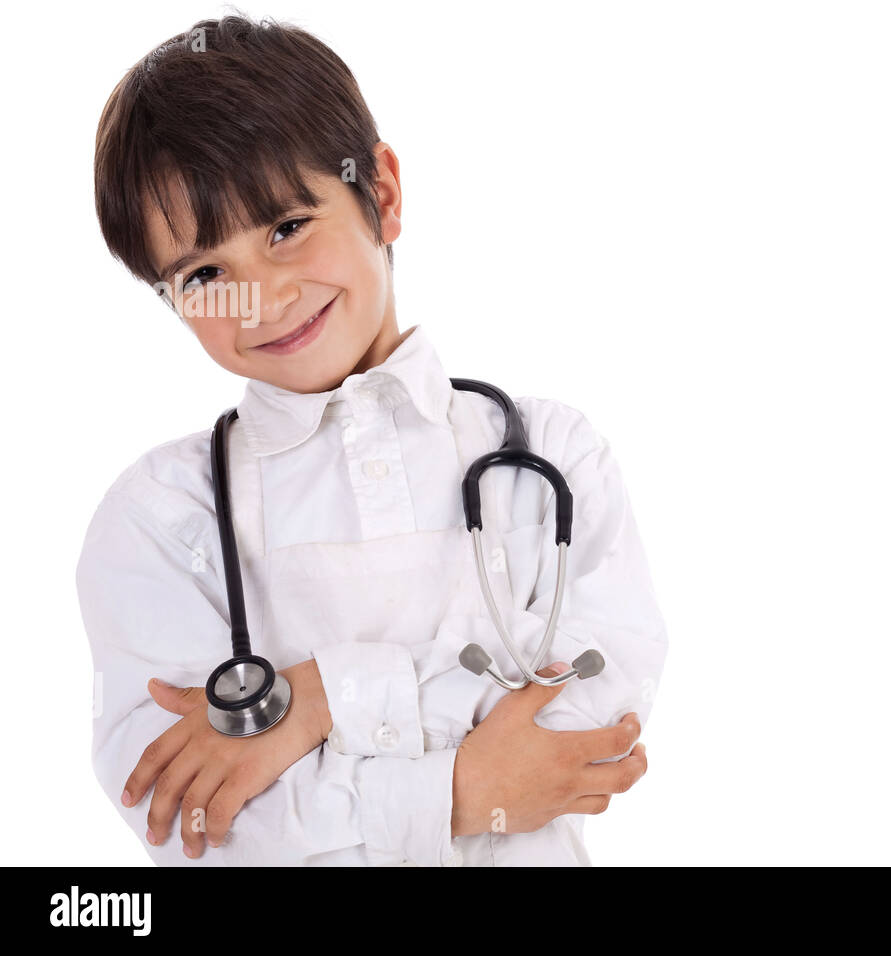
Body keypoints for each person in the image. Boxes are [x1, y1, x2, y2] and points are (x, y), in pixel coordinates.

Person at [76, 13, 668, 866]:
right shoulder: (159, 520)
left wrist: (320, 705)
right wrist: (460, 792)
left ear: (381, 193)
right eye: (206, 274)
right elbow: (200, 823)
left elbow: (590, 731)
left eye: (285, 227)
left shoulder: (554, 460)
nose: (265, 300)